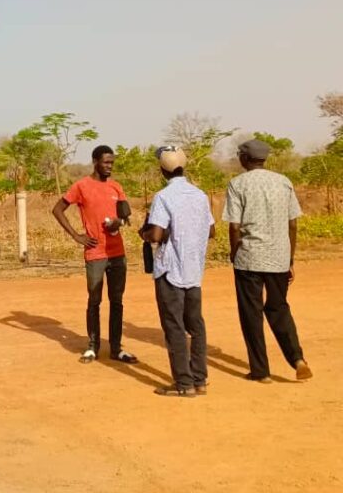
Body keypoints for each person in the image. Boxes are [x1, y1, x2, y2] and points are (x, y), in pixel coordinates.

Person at [224, 139, 313, 383]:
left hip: (249, 258)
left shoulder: (237, 184)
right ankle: (297, 359)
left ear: (245, 158)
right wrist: (290, 258)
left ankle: (260, 371)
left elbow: (234, 226)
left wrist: (233, 251)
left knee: (251, 313)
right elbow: (292, 224)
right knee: (278, 308)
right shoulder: (283, 182)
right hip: (279, 257)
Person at [52, 145, 138, 365]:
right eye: (106, 162)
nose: (109, 166)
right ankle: (92, 347)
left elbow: (125, 216)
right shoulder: (81, 186)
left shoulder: (116, 187)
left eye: (112, 163)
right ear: (95, 162)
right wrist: (76, 236)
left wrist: (119, 222)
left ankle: (116, 348)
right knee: (94, 300)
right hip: (95, 253)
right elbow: (57, 209)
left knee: (117, 301)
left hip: (117, 252)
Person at [142, 148, 214, 397]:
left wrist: (145, 233)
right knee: (196, 325)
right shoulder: (200, 195)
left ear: (163, 170)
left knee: (174, 326)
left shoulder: (163, 197)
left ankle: (184, 384)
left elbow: (156, 234)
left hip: (170, 269)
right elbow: (211, 230)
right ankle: (200, 379)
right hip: (193, 269)